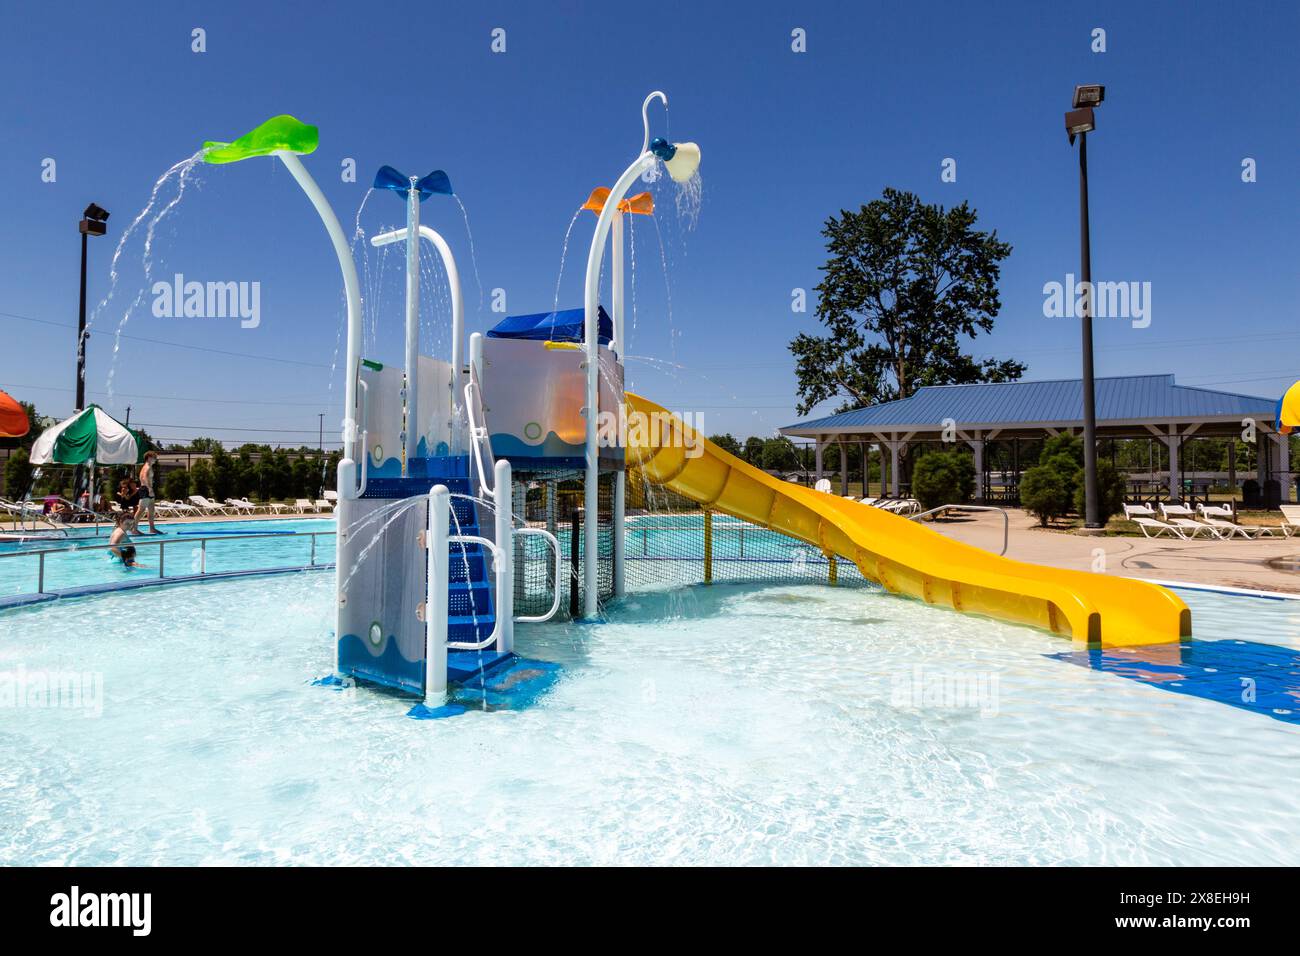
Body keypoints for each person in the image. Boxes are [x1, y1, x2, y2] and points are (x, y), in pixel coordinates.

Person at [137, 451, 163, 535]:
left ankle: (152, 528)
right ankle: (134, 528)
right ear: (148, 458)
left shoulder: (149, 466)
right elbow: (144, 477)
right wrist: (149, 489)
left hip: (148, 489)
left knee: (151, 510)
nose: (155, 459)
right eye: (154, 457)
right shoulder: (147, 467)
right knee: (141, 510)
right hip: (146, 489)